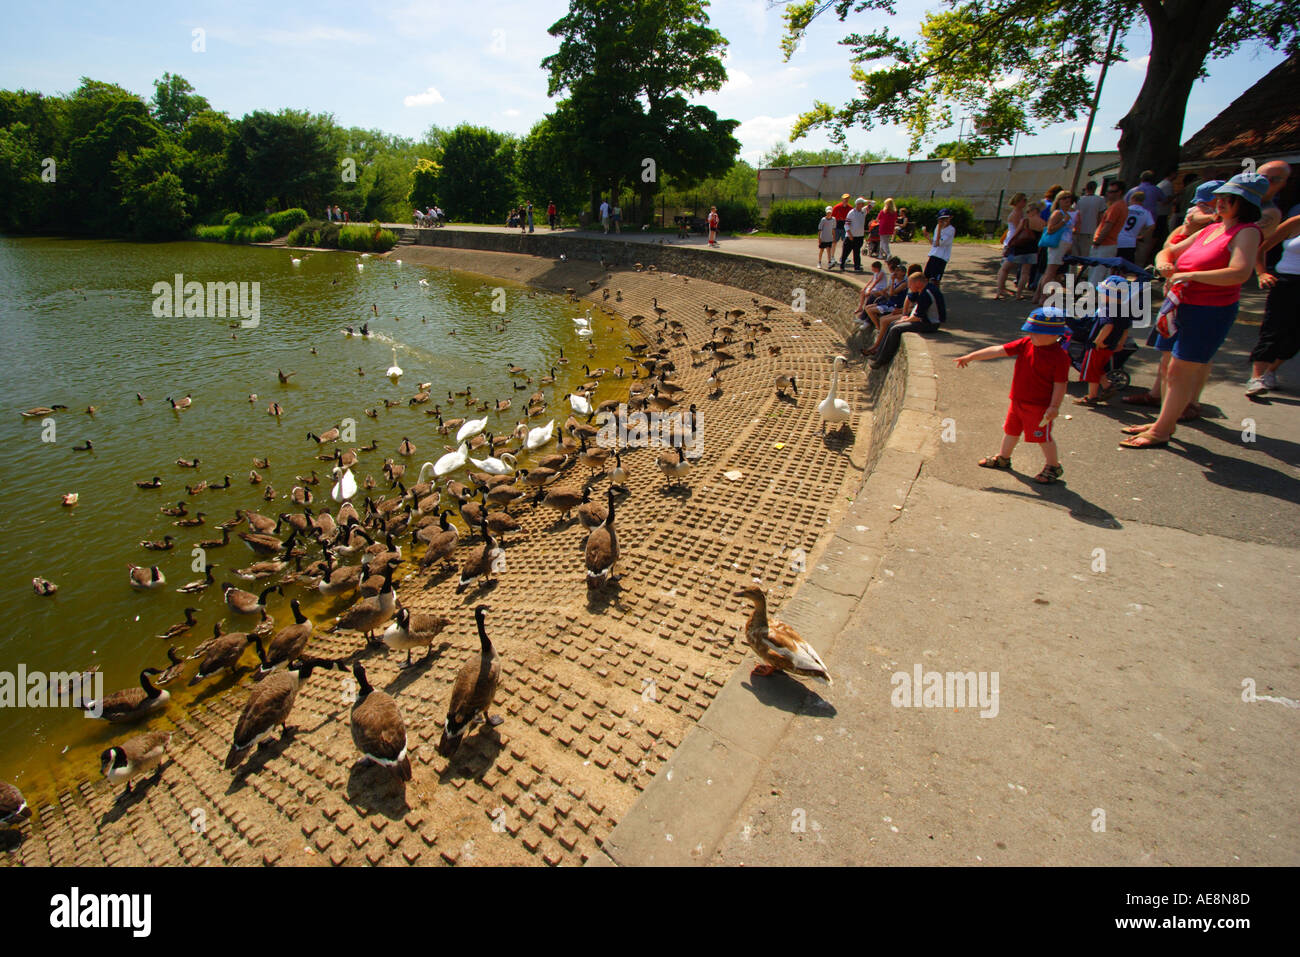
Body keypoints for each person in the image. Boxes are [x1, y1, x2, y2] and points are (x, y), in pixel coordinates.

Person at [1121, 173, 1265, 449]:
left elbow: (1240, 272)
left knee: (1179, 370)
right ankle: (1163, 421)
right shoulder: (1212, 229)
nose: (1220, 202)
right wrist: (1164, 264)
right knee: (1168, 366)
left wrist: (1192, 276)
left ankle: (1162, 429)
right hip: (1179, 304)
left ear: (1244, 203)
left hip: (1208, 310)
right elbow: (1169, 250)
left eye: (1228, 199)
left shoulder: (1246, 231)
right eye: (1220, 197)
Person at [1123, 180, 1223, 416]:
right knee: (1168, 352)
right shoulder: (1191, 227)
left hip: (1204, 299)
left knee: (1196, 357)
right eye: (1197, 205)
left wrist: (1207, 219)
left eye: (1204, 205)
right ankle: (1157, 394)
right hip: (1176, 296)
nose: (1195, 211)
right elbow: (1168, 246)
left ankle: (1190, 403)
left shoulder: (1226, 229)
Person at [954, 308, 1070, 484]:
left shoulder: (1060, 357)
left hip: (1039, 406)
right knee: (1011, 430)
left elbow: (1060, 384)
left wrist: (1054, 406)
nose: (1031, 334)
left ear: (1054, 335)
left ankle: (1053, 465)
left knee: (1042, 437)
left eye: (1036, 332)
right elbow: (998, 350)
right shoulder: (1026, 343)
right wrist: (971, 356)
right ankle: (1003, 458)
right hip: (1017, 401)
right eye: (1030, 331)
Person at [1246, 213, 1300, 396]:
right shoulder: (1296, 222)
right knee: (1274, 328)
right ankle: (1256, 377)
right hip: (1286, 283)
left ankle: (1271, 371)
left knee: (1295, 337)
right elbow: (1261, 249)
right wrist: (1261, 273)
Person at [868, 272, 947, 367]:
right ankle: (878, 355)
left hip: (931, 324)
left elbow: (917, 317)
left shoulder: (926, 294)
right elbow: (909, 299)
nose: (909, 287)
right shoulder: (923, 289)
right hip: (923, 320)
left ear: (917, 283)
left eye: (910, 284)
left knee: (896, 328)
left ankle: (882, 360)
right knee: (892, 324)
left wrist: (904, 320)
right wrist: (904, 315)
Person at [1074, 279, 1133, 406]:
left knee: (1091, 370)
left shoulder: (1106, 309)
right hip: (1110, 346)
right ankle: (1107, 387)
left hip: (1098, 346)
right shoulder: (1124, 310)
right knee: (1098, 368)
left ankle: (1091, 396)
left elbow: (1108, 326)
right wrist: (1120, 344)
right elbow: (1125, 330)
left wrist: (1097, 341)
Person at [996, 201, 1044, 299]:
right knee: (1025, 273)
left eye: (1029, 211)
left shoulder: (1025, 220)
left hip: (1019, 248)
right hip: (1032, 249)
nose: (1027, 212)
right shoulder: (1043, 223)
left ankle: (999, 291)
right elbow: (1041, 239)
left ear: (1034, 210)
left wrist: (1009, 245)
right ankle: (1019, 294)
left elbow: (1016, 234)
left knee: (1005, 268)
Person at [1033, 191, 1075, 304]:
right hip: (1057, 245)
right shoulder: (1058, 213)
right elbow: (1050, 229)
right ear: (1059, 200)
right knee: (1050, 272)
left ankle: (1039, 296)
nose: (1067, 200)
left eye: (1069, 198)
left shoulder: (1068, 213)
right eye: (1064, 198)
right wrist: (1063, 222)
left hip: (1065, 244)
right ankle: (1043, 297)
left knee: (1057, 272)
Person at [1089, 182, 1127, 284]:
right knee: (1104, 274)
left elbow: (1108, 226)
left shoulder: (1116, 207)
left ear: (1119, 192)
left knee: (1096, 274)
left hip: (1104, 244)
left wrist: (1097, 241)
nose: (1108, 194)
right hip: (1110, 244)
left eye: (1112, 192)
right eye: (1108, 192)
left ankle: (1091, 297)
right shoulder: (1122, 205)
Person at [1115, 190, 1154, 265]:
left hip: (1118, 240)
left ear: (1132, 199)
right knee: (1125, 267)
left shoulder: (1125, 209)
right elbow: (1152, 226)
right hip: (1130, 243)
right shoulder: (1146, 212)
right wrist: (1142, 236)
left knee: (1113, 265)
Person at [1073, 182, 1105, 261]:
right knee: (1085, 256)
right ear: (1095, 188)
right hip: (1090, 231)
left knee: (1074, 256)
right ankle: (1083, 273)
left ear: (1086, 188)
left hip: (1076, 230)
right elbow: (1100, 216)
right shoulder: (1100, 200)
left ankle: (1071, 274)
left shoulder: (1079, 200)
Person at [925, 209, 956, 282]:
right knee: (926, 277)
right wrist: (928, 237)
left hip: (941, 257)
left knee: (935, 280)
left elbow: (939, 243)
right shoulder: (937, 226)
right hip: (933, 255)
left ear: (950, 218)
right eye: (941, 219)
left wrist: (939, 229)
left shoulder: (951, 229)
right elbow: (934, 244)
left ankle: (936, 293)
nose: (943, 221)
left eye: (946, 219)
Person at [839, 197, 868, 271]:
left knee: (857, 252)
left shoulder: (863, 211)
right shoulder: (851, 213)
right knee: (846, 252)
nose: (863, 205)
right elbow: (846, 225)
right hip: (851, 236)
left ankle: (857, 267)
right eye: (862, 203)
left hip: (859, 236)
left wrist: (867, 200)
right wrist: (850, 234)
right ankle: (842, 265)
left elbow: (872, 204)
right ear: (858, 204)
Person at [831, 193, 852, 261]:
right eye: (845, 198)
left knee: (845, 243)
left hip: (845, 228)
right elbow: (832, 218)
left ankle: (843, 257)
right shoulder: (837, 207)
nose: (846, 200)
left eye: (847, 198)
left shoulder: (850, 208)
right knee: (834, 242)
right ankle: (832, 257)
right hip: (837, 227)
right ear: (842, 199)